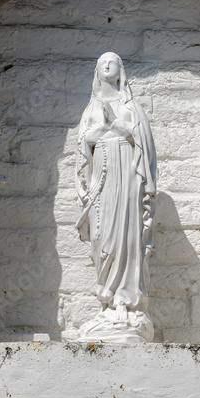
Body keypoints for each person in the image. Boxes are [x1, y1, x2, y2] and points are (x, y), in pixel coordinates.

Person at [75, 52, 156, 342]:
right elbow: (82, 148)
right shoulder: (91, 108)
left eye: (113, 61)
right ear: (97, 71)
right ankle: (107, 301)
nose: (107, 64)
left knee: (128, 236)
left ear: (121, 70)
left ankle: (124, 300)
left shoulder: (131, 106)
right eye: (102, 62)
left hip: (128, 175)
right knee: (102, 237)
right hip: (102, 175)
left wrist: (121, 127)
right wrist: (94, 134)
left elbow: (145, 144)